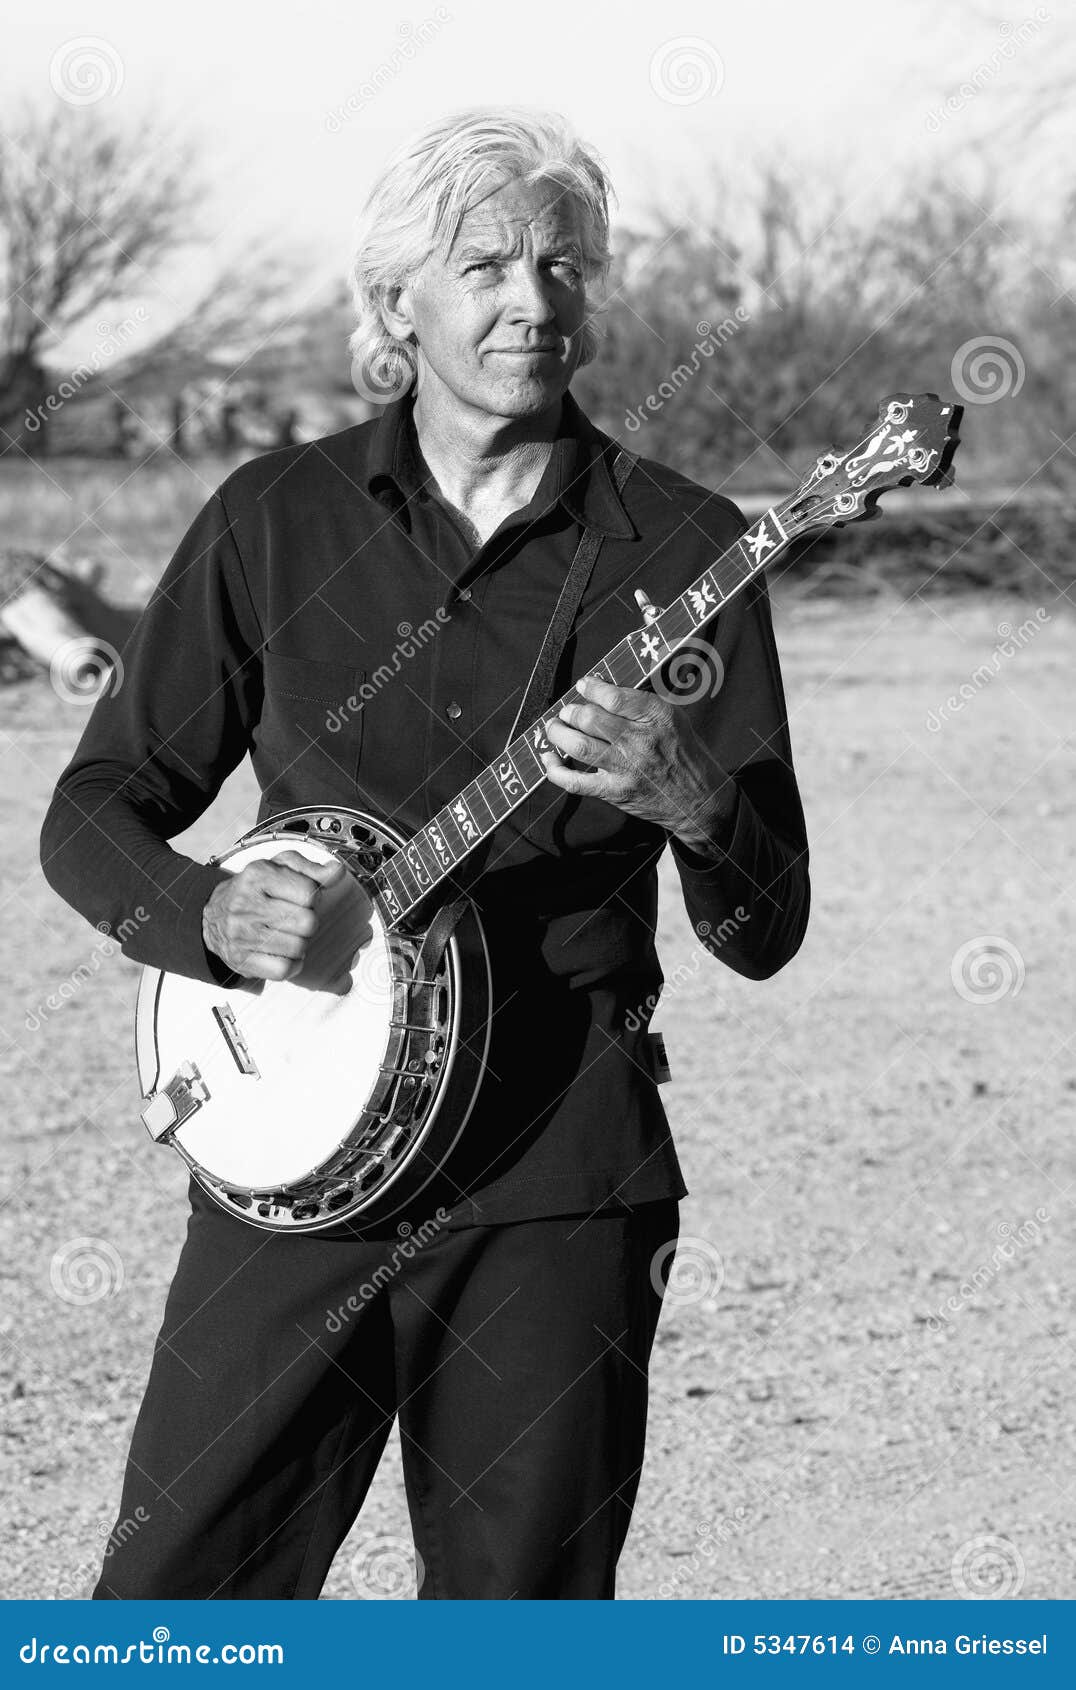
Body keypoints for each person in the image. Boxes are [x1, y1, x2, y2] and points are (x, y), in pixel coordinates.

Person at [39, 107, 810, 1600]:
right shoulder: (275, 514)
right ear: (401, 300)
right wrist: (209, 914)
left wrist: (697, 804)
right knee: (171, 1614)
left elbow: (768, 921)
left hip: (558, 1178)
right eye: (488, 266)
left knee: (516, 1633)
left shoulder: (686, 548)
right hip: (294, 1161)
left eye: (563, 265)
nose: (535, 300)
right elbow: (95, 808)